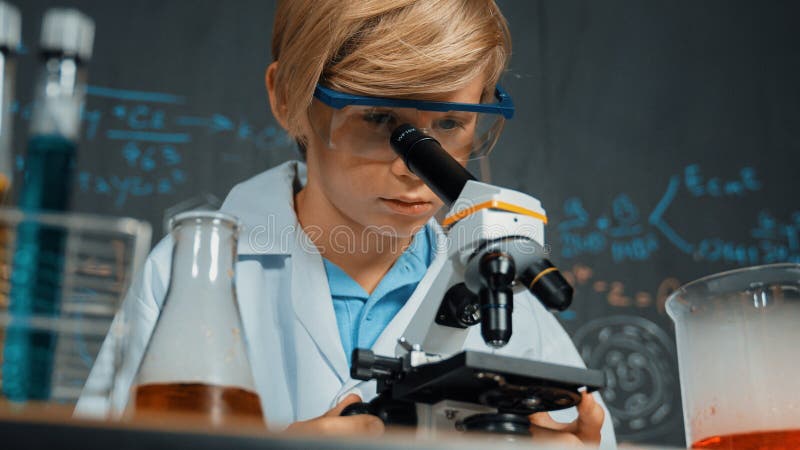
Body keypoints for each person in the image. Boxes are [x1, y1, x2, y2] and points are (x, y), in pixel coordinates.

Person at [78, 0, 616, 446]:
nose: (414, 168)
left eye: (450, 123)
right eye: (380, 119)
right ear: (288, 97)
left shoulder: (506, 293)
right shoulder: (189, 273)